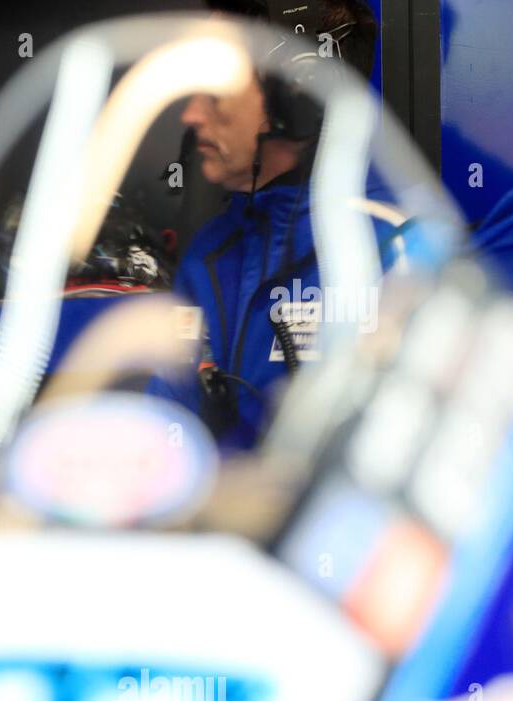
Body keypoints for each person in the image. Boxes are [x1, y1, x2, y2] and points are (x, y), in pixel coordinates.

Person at [147, 0, 384, 449]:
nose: (191, 115)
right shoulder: (207, 258)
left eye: (215, 91)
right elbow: (164, 443)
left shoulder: (392, 250)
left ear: (297, 100)